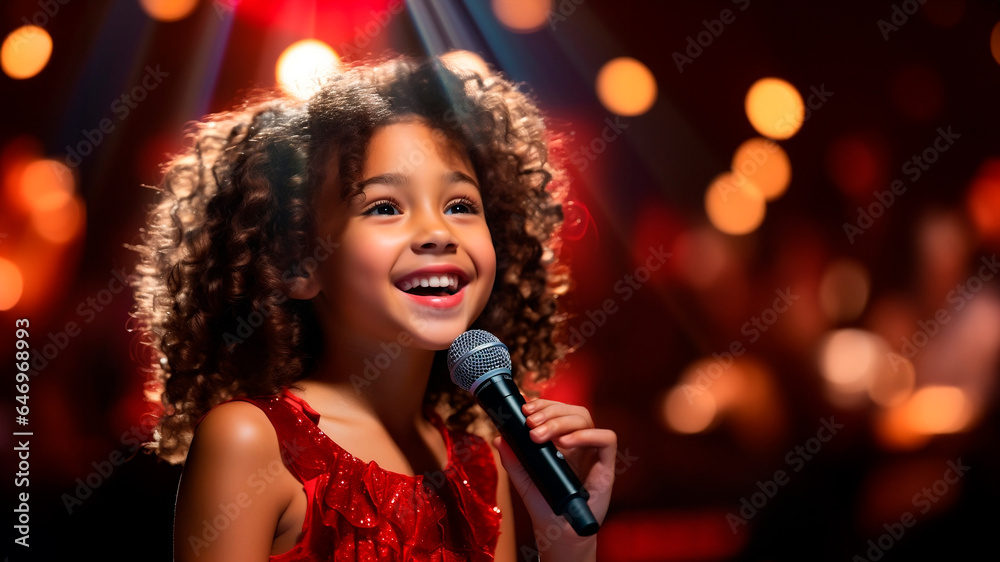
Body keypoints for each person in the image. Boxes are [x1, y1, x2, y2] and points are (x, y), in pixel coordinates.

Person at [130, 53, 617, 561]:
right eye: (385, 206)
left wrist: (567, 544)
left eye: (460, 206)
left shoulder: (482, 466)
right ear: (299, 264)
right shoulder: (253, 440)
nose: (437, 233)